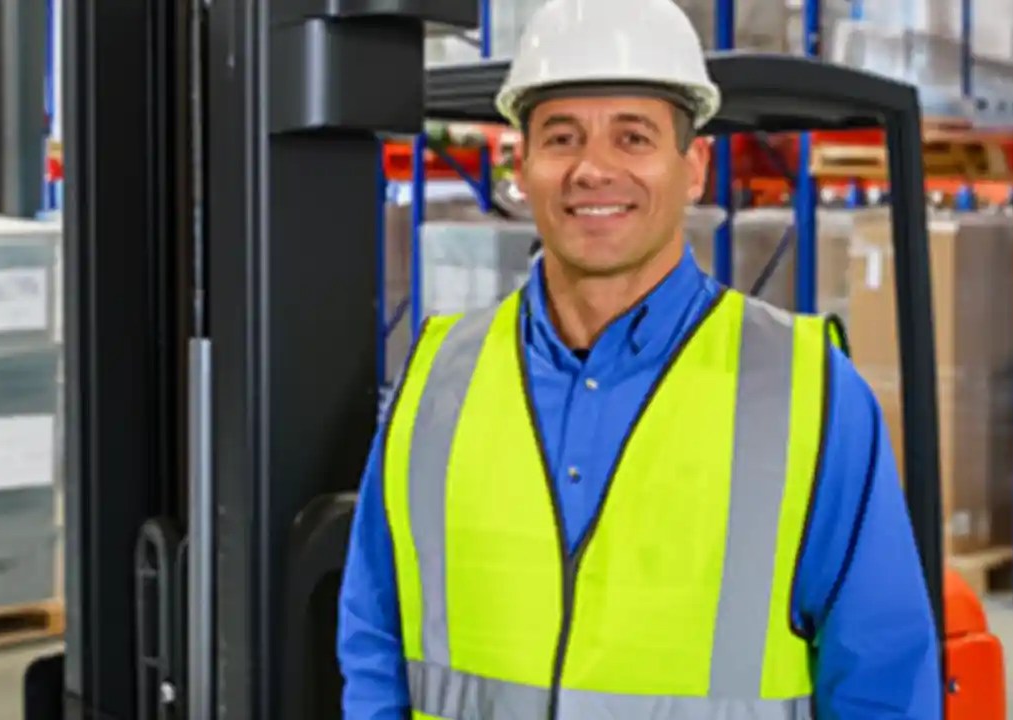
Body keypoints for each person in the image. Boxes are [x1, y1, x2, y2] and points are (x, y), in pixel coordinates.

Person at [337, 0, 942, 717]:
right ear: (520, 164)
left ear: (693, 167)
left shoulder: (809, 393)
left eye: (633, 137)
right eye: (562, 137)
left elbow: (883, 680)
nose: (593, 169)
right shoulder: (436, 381)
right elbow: (375, 636)